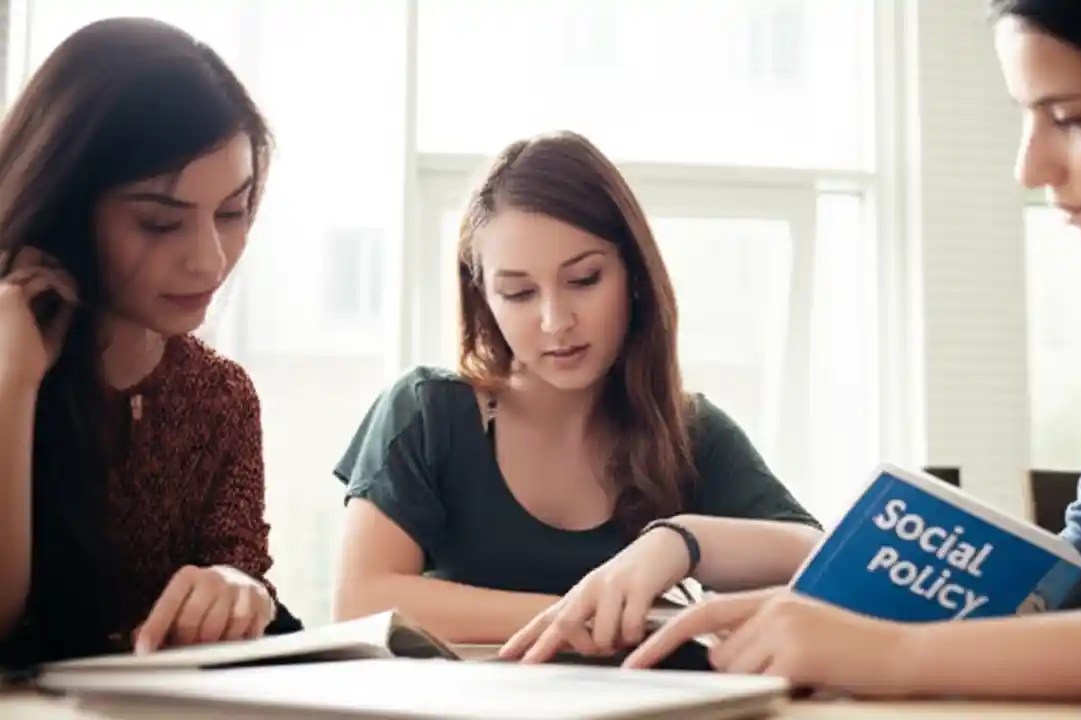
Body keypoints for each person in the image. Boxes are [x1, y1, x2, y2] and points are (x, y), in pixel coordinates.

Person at [626, 0, 1081, 705]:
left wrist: (897, 653)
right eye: (1026, 117)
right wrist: (845, 613)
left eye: (1073, 119)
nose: (1029, 167)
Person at [333, 131, 823, 659]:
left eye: (584, 279)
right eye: (519, 293)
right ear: (484, 297)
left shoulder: (689, 432)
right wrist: (586, 611)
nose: (555, 321)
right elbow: (362, 602)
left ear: (634, 274)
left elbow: (825, 562)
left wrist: (681, 541)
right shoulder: (428, 412)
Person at [0, 18, 299, 666]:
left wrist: (238, 592)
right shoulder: (13, 369)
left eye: (233, 212)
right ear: (68, 207)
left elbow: (241, 574)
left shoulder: (219, 395)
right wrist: (12, 386)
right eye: (160, 223)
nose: (209, 260)